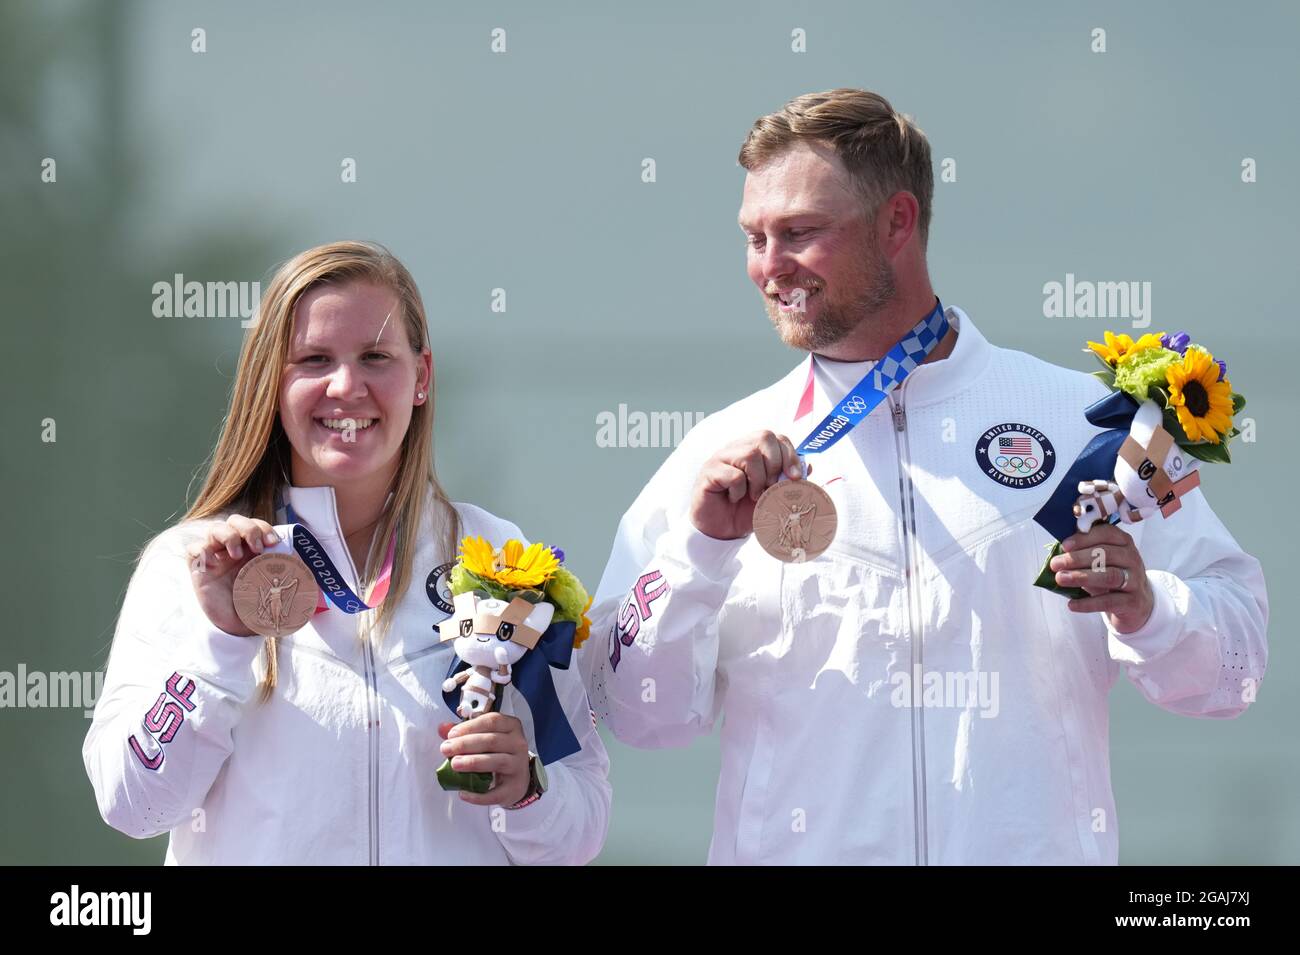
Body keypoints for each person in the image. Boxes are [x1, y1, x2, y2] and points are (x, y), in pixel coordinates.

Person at [583, 89, 1268, 865]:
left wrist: (1151, 608)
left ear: (897, 223)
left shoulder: (1092, 422)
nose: (770, 267)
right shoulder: (717, 456)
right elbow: (636, 713)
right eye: (754, 237)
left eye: (801, 233)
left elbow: (1237, 662)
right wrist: (698, 553)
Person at [84, 241, 610, 864]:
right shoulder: (192, 566)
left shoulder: (501, 561)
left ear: (422, 376)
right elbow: (133, 805)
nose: (346, 386)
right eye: (313, 359)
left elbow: (583, 823)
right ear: (272, 384)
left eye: (375, 357)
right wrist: (222, 642)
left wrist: (528, 793)